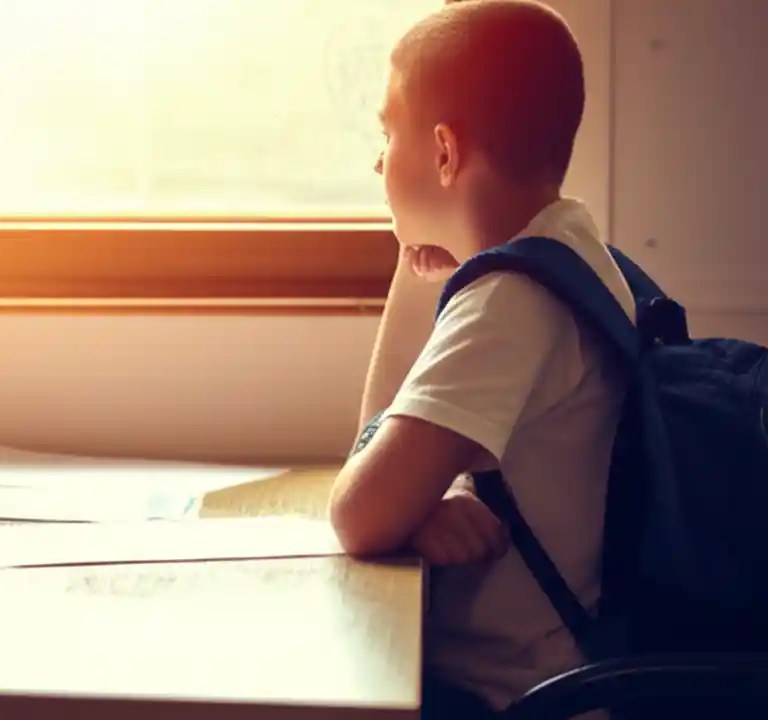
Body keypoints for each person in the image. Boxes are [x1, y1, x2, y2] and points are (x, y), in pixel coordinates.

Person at [328, 1, 634, 716]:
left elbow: (356, 511)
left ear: (443, 152)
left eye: (387, 133)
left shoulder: (509, 304)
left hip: (508, 698)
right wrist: (413, 502)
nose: (379, 160)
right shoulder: (574, 252)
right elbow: (384, 463)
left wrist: (396, 506)